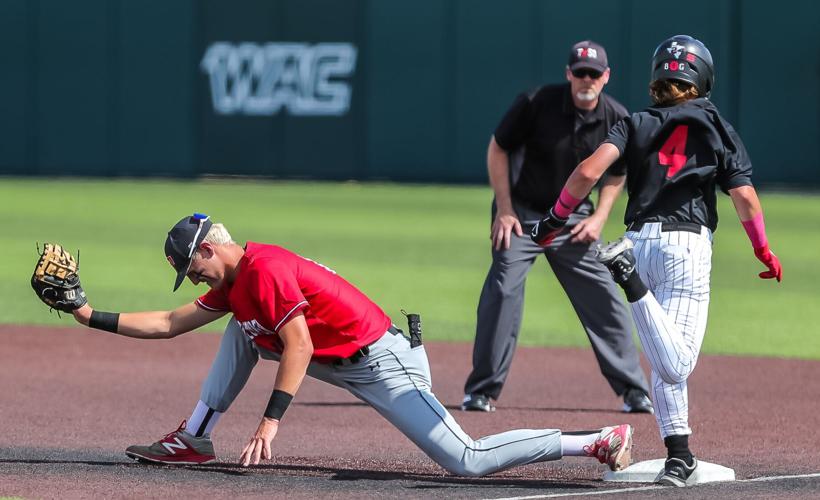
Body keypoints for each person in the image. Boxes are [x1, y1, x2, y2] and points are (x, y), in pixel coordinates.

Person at [68, 213, 635, 476]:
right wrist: (85, 312)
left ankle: (594, 441)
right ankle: (195, 436)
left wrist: (270, 421)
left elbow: (298, 347)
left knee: (467, 460)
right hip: (344, 358)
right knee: (243, 329)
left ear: (209, 249)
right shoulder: (238, 283)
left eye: (190, 267)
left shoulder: (262, 271)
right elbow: (169, 322)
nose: (191, 279)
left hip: (386, 364)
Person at [530, 35, 783, 487]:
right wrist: (762, 248)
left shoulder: (635, 122)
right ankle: (630, 282)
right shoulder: (717, 124)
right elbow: (743, 195)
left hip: (639, 240)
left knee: (662, 354)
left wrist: (552, 220)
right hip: (685, 245)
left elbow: (589, 171)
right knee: (676, 365)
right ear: (702, 76)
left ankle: (679, 457)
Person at [463, 40, 652, 414]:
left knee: (605, 296)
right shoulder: (536, 103)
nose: (587, 79)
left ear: (606, 77)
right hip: (522, 213)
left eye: (594, 73)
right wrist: (503, 209)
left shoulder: (616, 117)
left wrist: (600, 216)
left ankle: (633, 390)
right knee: (502, 290)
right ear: (568, 74)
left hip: (573, 220)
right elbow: (498, 148)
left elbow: (617, 172)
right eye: (580, 72)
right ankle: (481, 390)